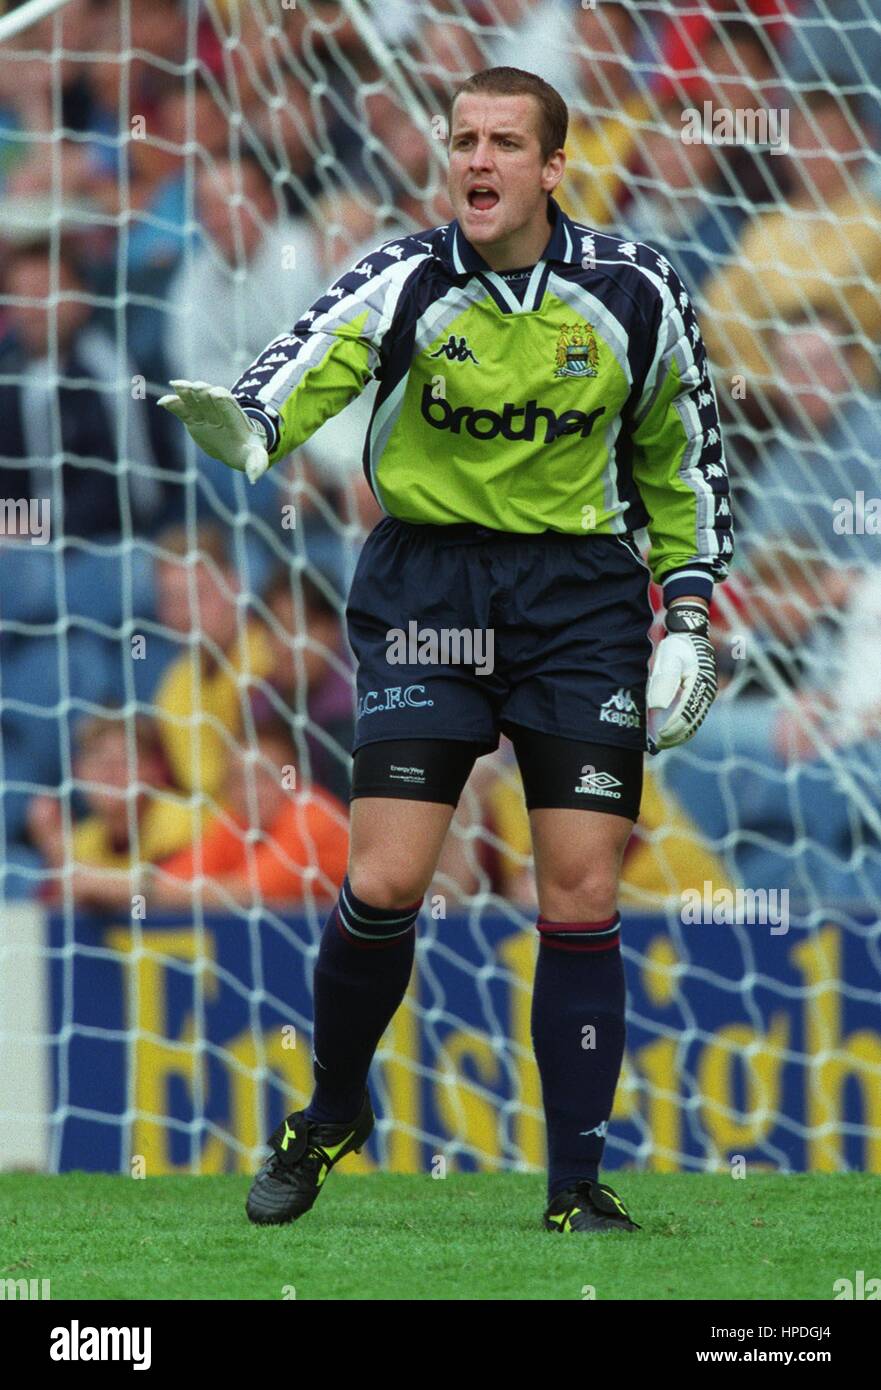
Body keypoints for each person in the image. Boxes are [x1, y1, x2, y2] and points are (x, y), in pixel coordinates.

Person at [160, 66, 732, 1235]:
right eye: (463, 139)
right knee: (384, 880)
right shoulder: (407, 276)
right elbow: (311, 355)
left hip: (577, 601)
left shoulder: (634, 291)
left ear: (552, 166)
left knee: (576, 889)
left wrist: (683, 611)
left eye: (503, 143)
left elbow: (682, 461)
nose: (475, 161)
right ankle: (328, 1112)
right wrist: (250, 421)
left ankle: (573, 1187)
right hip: (430, 582)